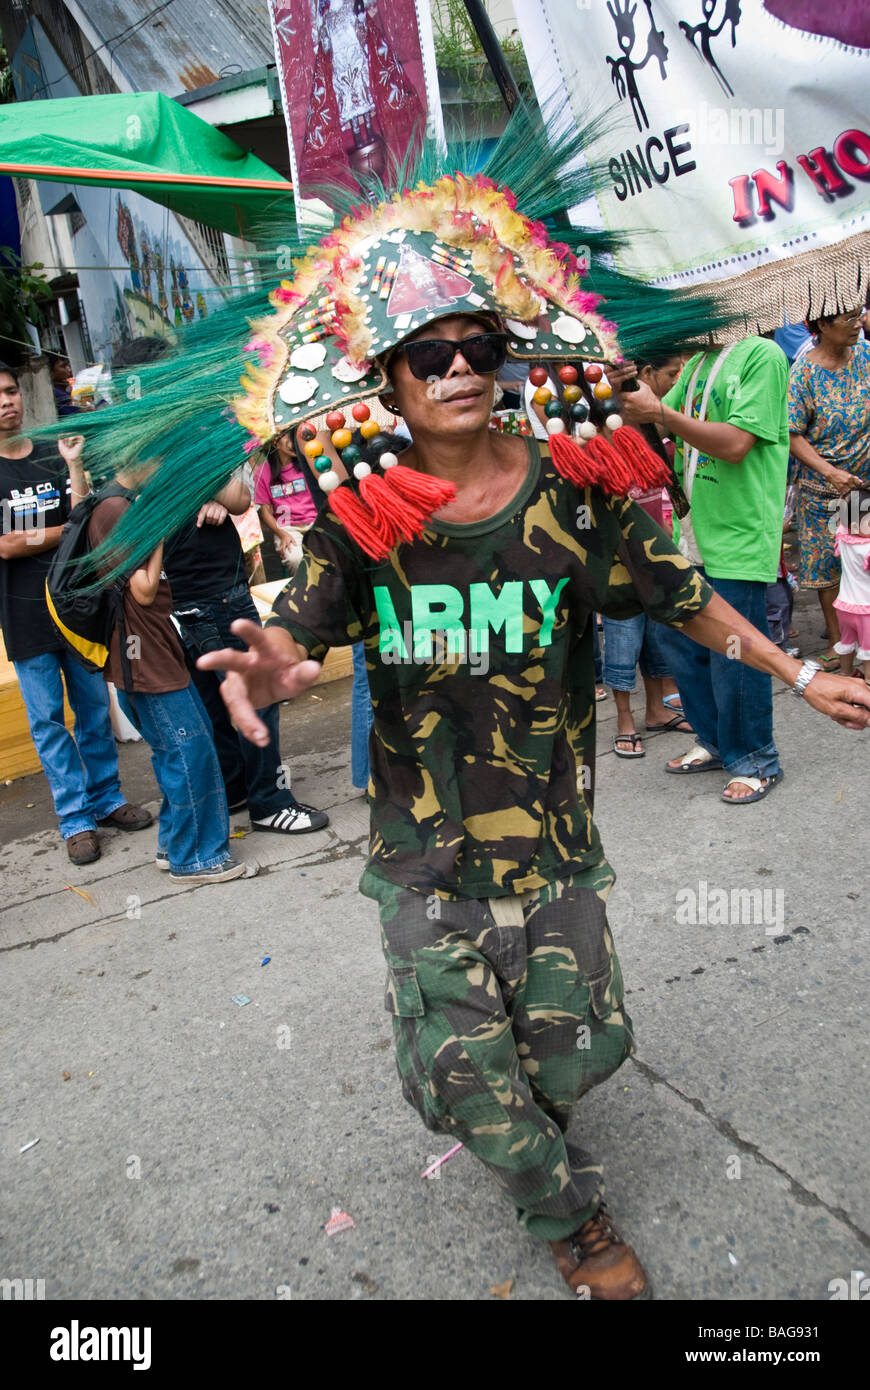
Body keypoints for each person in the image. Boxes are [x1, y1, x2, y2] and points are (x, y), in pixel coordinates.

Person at [180, 183, 870, 1299]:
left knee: (574, 1055)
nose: (457, 365)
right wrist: (279, 662)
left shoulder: (569, 494)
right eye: (427, 352)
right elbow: (300, 627)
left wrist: (797, 671)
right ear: (388, 383)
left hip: (553, 841)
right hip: (425, 853)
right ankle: (573, 1217)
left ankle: (515, 1112)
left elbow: (681, 593)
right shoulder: (366, 512)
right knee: (467, 1077)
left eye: (478, 344)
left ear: (504, 359)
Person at [621, 335, 791, 803]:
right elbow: (654, 424)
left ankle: (755, 758)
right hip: (692, 533)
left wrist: (659, 414)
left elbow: (736, 444)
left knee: (736, 651)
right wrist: (624, 387)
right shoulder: (696, 361)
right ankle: (716, 742)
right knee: (681, 642)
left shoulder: (763, 355)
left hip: (740, 534)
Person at [0, 361, 151, 865]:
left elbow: (82, 517)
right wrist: (55, 532)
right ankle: (75, 818)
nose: (6, 402)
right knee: (46, 719)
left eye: (10, 391)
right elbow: (5, 547)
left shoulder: (52, 452)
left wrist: (69, 480)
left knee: (91, 708)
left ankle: (106, 799)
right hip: (22, 615)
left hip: (76, 607)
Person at [87, 466, 255, 884]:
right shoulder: (114, 509)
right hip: (142, 654)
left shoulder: (123, 504)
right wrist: (160, 526)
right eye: (162, 457)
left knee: (179, 752)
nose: (167, 468)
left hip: (154, 647)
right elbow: (143, 590)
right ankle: (195, 857)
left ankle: (173, 844)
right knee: (189, 752)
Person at [162, 477, 328, 835]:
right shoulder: (195, 438)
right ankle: (270, 802)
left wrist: (204, 494)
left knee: (213, 702)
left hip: (183, 597)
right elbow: (239, 498)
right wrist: (210, 488)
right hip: (213, 594)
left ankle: (236, 786)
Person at [600, 352, 691, 757]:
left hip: (660, 550)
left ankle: (656, 710)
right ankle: (625, 719)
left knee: (659, 634)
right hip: (619, 555)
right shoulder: (603, 433)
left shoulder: (663, 429)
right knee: (623, 636)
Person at [787, 306, 870, 670]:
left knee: (863, 566)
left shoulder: (866, 356)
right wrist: (829, 472)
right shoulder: (803, 372)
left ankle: (861, 644)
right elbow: (791, 434)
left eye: (859, 316)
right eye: (848, 319)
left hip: (863, 489)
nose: (857, 325)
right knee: (828, 571)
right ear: (822, 325)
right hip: (825, 490)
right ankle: (840, 644)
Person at [253, 431, 318, 575]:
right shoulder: (263, 472)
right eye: (290, 437)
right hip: (287, 528)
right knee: (296, 559)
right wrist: (281, 534)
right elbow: (266, 512)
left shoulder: (308, 463)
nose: (295, 442)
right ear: (276, 442)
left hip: (315, 522)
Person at [831, 487, 870, 682]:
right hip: (866, 610)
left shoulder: (843, 536)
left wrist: (846, 499)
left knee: (847, 643)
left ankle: (845, 675)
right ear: (856, 524)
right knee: (869, 653)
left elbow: (841, 520)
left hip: (844, 607)